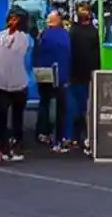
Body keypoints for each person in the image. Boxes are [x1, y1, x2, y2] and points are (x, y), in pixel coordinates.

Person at [0, 9, 32, 162]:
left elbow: (16, 50)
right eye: (11, 18)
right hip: (2, 82)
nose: (12, 21)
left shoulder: (24, 38)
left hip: (19, 83)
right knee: (1, 116)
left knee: (17, 118)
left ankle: (16, 145)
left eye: (16, 19)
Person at [33, 11, 72, 152]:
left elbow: (36, 53)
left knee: (44, 103)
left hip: (44, 73)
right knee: (61, 107)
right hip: (60, 74)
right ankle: (59, 137)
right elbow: (68, 55)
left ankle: (42, 132)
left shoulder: (43, 35)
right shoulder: (65, 35)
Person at [67, 1, 100, 154]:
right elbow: (96, 55)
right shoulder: (93, 31)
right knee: (86, 107)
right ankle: (86, 136)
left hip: (77, 74)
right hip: (88, 74)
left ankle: (76, 137)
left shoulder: (73, 31)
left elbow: (70, 53)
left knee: (77, 107)